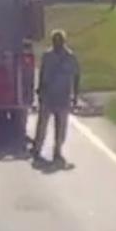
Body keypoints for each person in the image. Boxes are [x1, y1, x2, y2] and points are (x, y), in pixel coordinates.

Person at [33, 29, 80, 165]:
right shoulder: (47, 55)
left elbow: (76, 76)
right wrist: (40, 90)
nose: (57, 43)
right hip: (48, 95)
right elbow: (42, 73)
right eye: (55, 40)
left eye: (59, 40)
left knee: (61, 127)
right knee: (42, 125)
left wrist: (75, 95)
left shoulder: (70, 57)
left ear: (63, 42)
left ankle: (57, 151)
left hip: (63, 96)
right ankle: (37, 148)